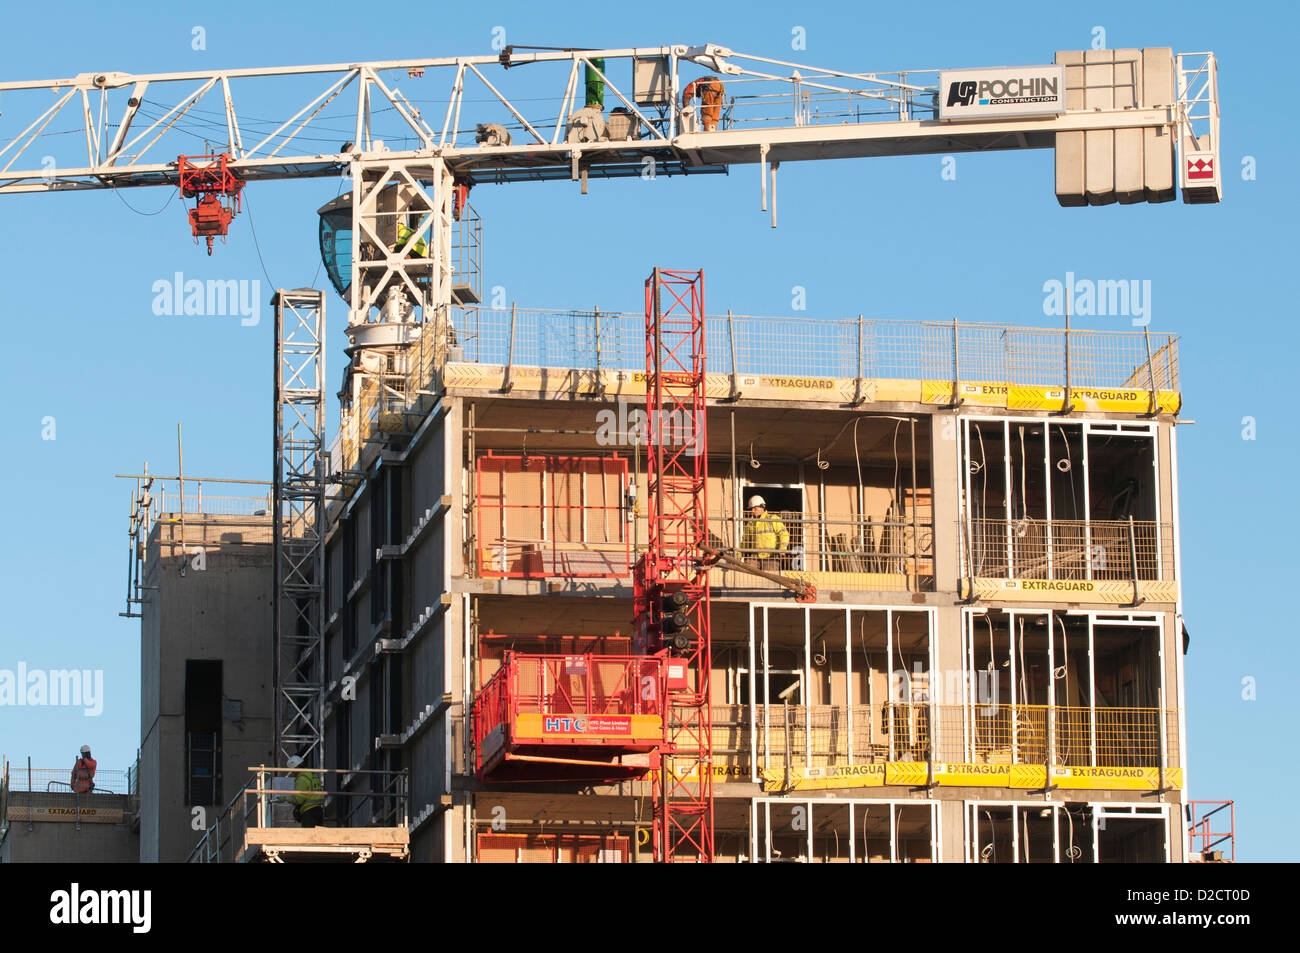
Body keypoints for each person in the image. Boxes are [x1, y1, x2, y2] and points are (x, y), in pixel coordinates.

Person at [741, 495, 789, 570]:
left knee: (769, 580)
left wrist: (782, 549)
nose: (752, 511)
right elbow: (745, 541)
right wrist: (738, 554)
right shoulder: (751, 523)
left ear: (762, 507)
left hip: (771, 557)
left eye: (755, 508)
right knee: (748, 575)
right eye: (751, 509)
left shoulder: (773, 519)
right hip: (755, 556)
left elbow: (784, 534)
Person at [286, 755, 325, 827]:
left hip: (308, 811)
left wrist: (286, 799)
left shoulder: (302, 779)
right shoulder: (312, 775)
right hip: (319, 810)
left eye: (292, 771)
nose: (292, 773)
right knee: (318, 835)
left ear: (295, 769)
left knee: (308, 836)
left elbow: (298, 800)